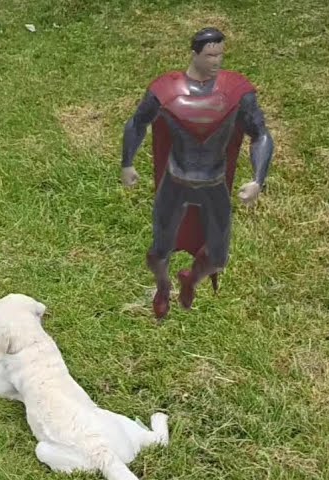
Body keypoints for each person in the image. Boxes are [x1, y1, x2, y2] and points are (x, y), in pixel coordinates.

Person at [121, 27, 274, 319]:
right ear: (194, 54)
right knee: (159, 250)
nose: (217, 61)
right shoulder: (166, 90)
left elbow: (260, 134)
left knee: (217, 257)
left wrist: (258, 179)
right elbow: (137, 122)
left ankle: (190, 280)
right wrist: (127, 163)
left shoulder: (236, 92)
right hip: (176, 180)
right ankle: (163, 286)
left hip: (213, 182)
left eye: (220, 54)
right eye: (210, 55)